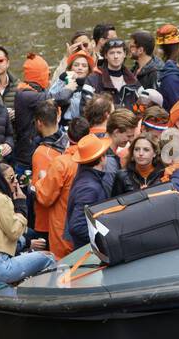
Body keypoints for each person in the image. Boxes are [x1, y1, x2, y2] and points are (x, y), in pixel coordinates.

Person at [33, 117, 89, 260]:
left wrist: (41, 179)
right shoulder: (97, 159)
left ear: (68, 136)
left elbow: (45, 197)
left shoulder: (62, 163)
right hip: (88, 225)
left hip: (63, 227)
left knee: (63, 269)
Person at [65, 134, 115, 251]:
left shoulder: (86, 178)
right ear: (102, 158)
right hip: (90, 250)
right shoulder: (89, 188)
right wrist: (105, 239)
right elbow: (77, 226)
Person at [29, 100, 68, 242]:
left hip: (46, 221)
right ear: (58, 116)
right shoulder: (68, 143)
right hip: (64, 216)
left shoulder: (42, 153)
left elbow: (40, 193)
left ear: (39, 122)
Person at [12, 53, 55, 174]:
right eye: (48, 74)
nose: (49, 77)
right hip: (26, 157)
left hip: (32, 150)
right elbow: (58, 97)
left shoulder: (29, 90)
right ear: (41, 75)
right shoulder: (27, 95)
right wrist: (70, 88)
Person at [86, 38, 142, 108]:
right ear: (106, 55)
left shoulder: (133, 80)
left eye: (119, 52)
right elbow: (85, 107)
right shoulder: (93, 79)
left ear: (124, 54)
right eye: (112, 53)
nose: (116, 56)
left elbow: (144, 105)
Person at [53, 50, 97, 125]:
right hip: (62, 126)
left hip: (83, 126)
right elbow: (50, 98)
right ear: (70, 69)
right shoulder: (62, 82)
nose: (80, 68)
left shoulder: (93, 86)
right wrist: (61, 79)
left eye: (84, 66)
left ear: (89, 70)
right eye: (76, 65)